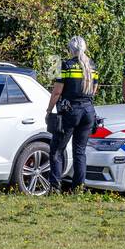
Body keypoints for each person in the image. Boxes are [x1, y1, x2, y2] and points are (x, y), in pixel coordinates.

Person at [46, 36, 97, 192]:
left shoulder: (65, 65)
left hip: (70, 111)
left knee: (56, 150)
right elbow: (94, 89)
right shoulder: (91, 65)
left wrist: (49, 110)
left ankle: (55, 187)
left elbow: (57, 92)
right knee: (80, 151)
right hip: (88, 111)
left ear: (70, 50)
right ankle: (78, 187)